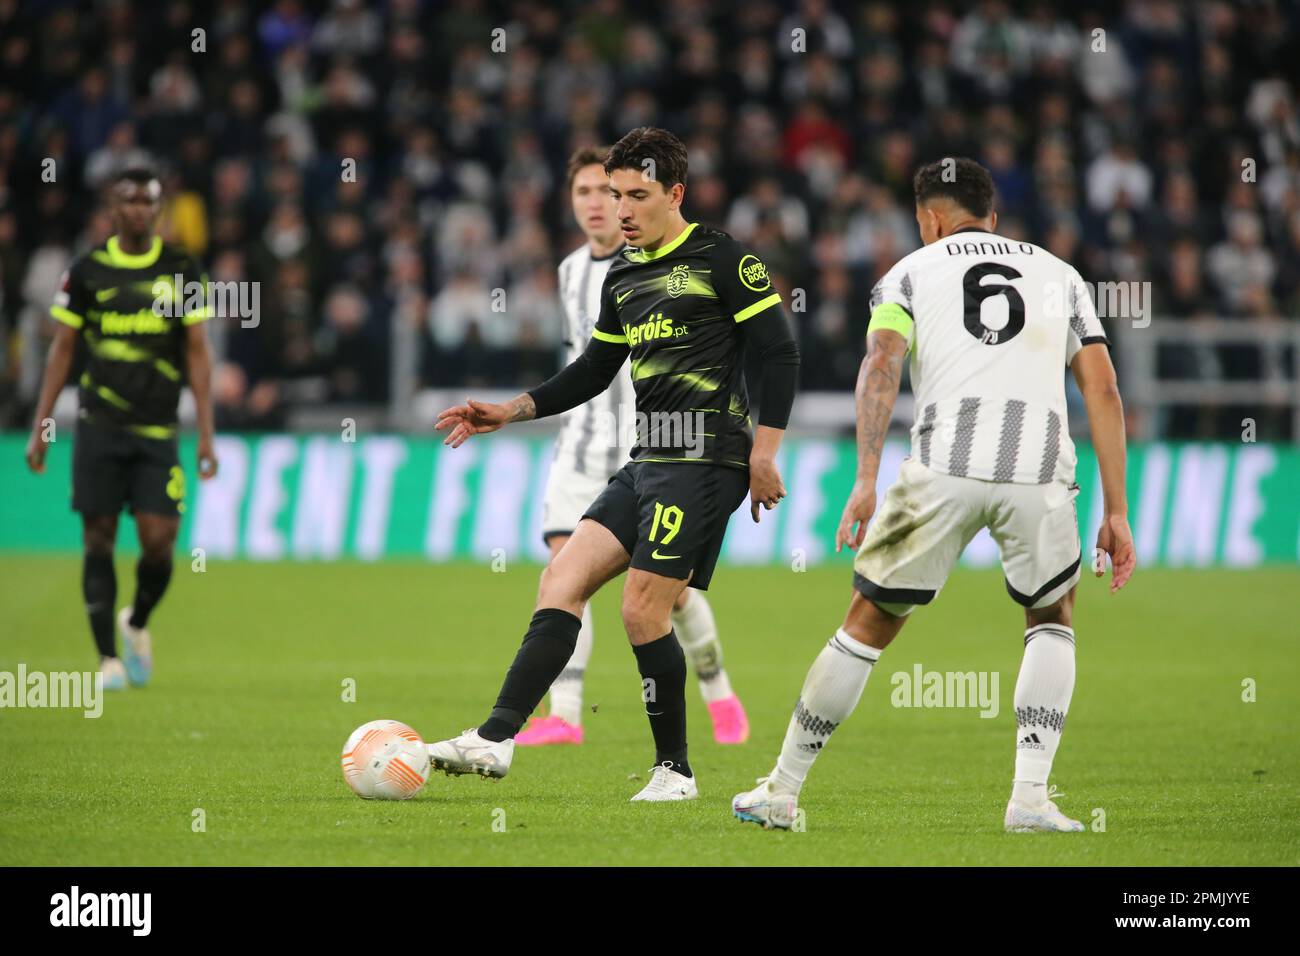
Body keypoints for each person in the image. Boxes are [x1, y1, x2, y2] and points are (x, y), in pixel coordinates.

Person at [732, 157, 1136, 831]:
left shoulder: (909, 273)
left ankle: (783, 788)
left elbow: (882, 361)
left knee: (867, 623)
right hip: (1037, 466)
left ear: (929, 219)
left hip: (943, 462)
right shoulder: (1060, 274)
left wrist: (865, 479)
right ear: (994, 218)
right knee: (1052, 614)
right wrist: (1117, 511)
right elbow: (1103, 388)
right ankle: (1030, 798)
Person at [428, 127, 799, 801]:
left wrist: (765, 452)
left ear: (675, 195)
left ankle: (675, 772)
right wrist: (508, 411)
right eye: (613, 194)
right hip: (649, 458)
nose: (622, 210)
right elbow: (595, 369)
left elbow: (780, 353)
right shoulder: (624, 275)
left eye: (637, 195)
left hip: (707, 458)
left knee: (641, 610)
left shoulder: (722, 259)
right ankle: (493, 740)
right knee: (561, 579)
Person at [520, 145, 750, 749]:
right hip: (580, 445)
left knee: (662, 598)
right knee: (564, 570)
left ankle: (717, 687)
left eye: (609, 192)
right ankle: (565, 713)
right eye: (585, 194)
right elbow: (586, 363)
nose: (599, 204)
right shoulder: (571, 271)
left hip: (654, 446)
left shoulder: (658, 261)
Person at [25, 168, 218, 690]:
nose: (137, 209)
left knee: (159, 542)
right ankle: (107, 659)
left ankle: (134, 623)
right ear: (113, 209)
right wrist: (42, 425)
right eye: (128, 200)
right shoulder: (87, 270)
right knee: (98, 537)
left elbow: (197, 353)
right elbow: (63, 349)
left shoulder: (180, 269)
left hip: (157, 430)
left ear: (158, 210)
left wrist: (205, 431)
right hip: (99, 427)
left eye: (147, 201)